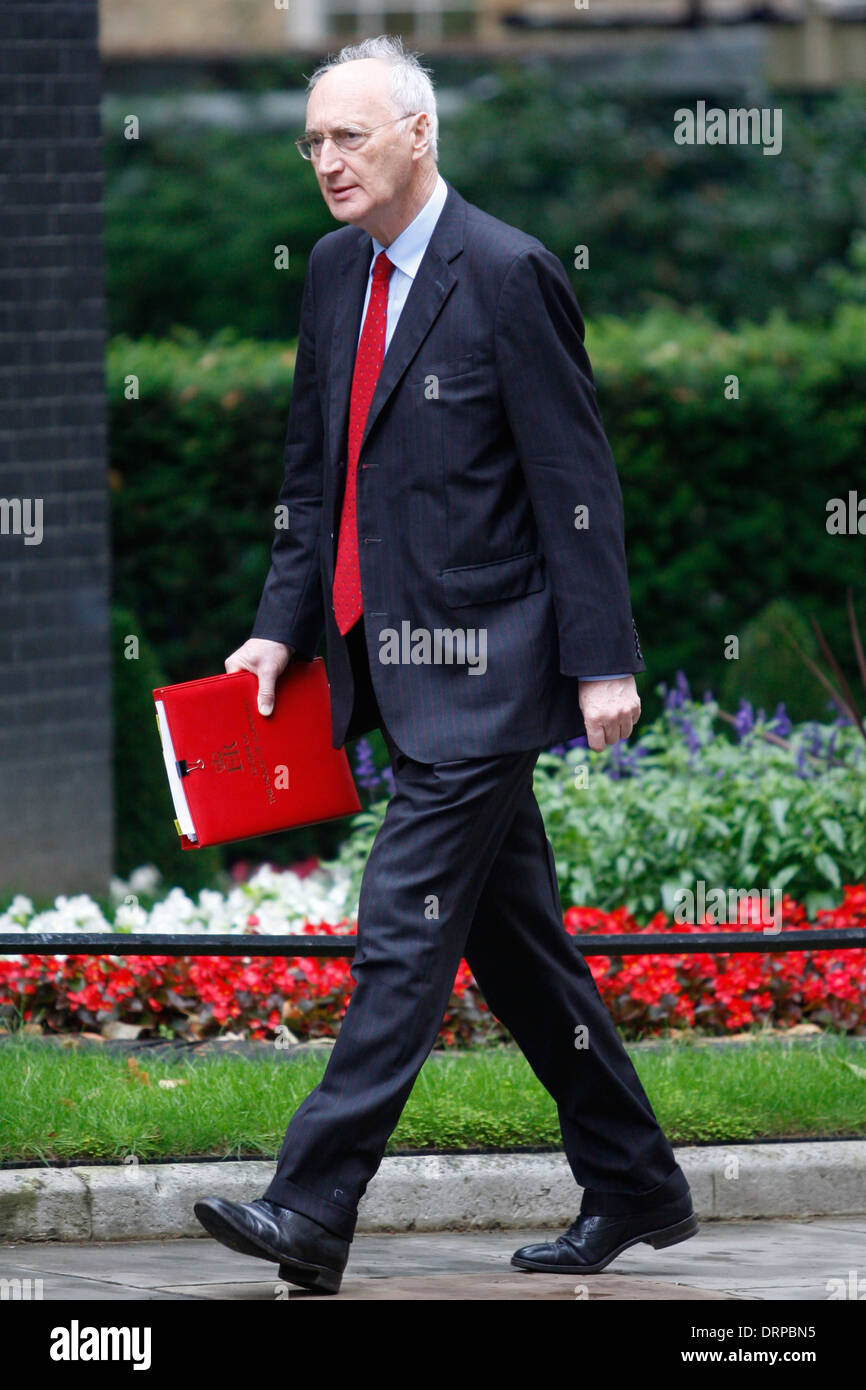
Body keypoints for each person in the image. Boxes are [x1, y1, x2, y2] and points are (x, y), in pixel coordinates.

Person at [194, 34, 696, 1296]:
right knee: (519, 952)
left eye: (346, 136)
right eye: (311, 140)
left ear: (418, 134)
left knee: (399, 935)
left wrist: (599, 663)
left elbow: (575, 487)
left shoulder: (509, 272)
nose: (325, 160)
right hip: (385, 667)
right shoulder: (329, 273)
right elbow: (315, 477)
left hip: (487, 670)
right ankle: (634, 1178)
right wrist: (278, 623)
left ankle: (310, 1207)